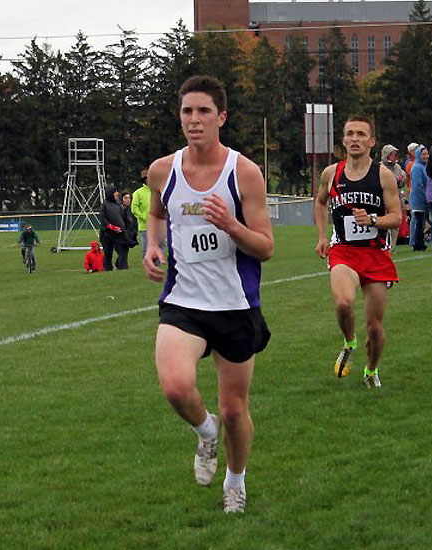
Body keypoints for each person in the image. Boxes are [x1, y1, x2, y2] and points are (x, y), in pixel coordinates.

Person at [143, 75, 273, 514]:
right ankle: (205, 432)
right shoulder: (163, 170)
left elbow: (266, 248)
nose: (194, 120)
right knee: (176, 387)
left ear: (222, 117)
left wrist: (231, 225)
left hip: (235, 304)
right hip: (184, 301)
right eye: (187, 111)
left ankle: (235, 482)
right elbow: (157, 213)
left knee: (234, 410)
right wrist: (153, 245)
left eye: (203, 111)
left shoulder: (244, 173)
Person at [314, 115, 401, 390]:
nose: (354, 139)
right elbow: (320, 202)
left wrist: (373, 220)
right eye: (350, 133)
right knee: (343, 302)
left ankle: (371, 370)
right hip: (344, 251)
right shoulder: (331, 173)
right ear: (343, 140)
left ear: (371, 141)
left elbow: (397, 217)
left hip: (375, 255)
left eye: (361, 134)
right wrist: (321, 236)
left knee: (375, 328)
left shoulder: (383, 175)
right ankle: (349, 342)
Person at [380, 144, 405, 250]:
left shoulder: (397, 167)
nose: (394, 157)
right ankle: (383, 244)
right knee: (384, 223)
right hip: (383, 200)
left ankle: (392, 246)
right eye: (391, 154)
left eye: (395, 154)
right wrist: (393, 179)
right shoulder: (380, 167)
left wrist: (401, 179)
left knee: (395, 224)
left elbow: (402, 181)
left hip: (396, 199)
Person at [99, 186, 129, 271]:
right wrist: (112, 227)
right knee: (108, 254)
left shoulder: (118, 204)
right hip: (107, 234)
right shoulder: (104, 206)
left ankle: (121, 267)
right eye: (115, 192)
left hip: (119, 233)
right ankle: (107, 269)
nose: (117, 194)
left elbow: (122, 217)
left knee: (123, 251)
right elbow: (103, 219)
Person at [408, 145, 429, 251]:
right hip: (418, 199)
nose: (426, 156)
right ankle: (416, 243)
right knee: (418, 222)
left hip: (423, 198)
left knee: (421, 222)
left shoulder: (423, 167)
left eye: (427, 154)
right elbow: (418, 185)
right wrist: (425, 196)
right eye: (423, 154)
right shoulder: (417, 167)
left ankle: (419, 242)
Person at [131, 170, 152, 259]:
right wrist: (144, 217)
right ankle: (147, 264)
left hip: (158, 226)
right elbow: (134, 208)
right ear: (145, 180)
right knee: (146, 248)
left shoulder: (158, 190)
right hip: (145, 226)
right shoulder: (138, 193)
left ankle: (157, 264)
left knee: (160, 247)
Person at [120, 191, 139, 264]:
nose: (128, 200)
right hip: (120, 235)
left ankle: (120, 265)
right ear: (122, 199)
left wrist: (134, 232)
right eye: (126, 198)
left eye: (129, 198)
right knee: (122, 252)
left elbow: (134, 222)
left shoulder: (131, 210)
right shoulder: (118, 210)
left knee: (124, 252)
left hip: (129, 235)